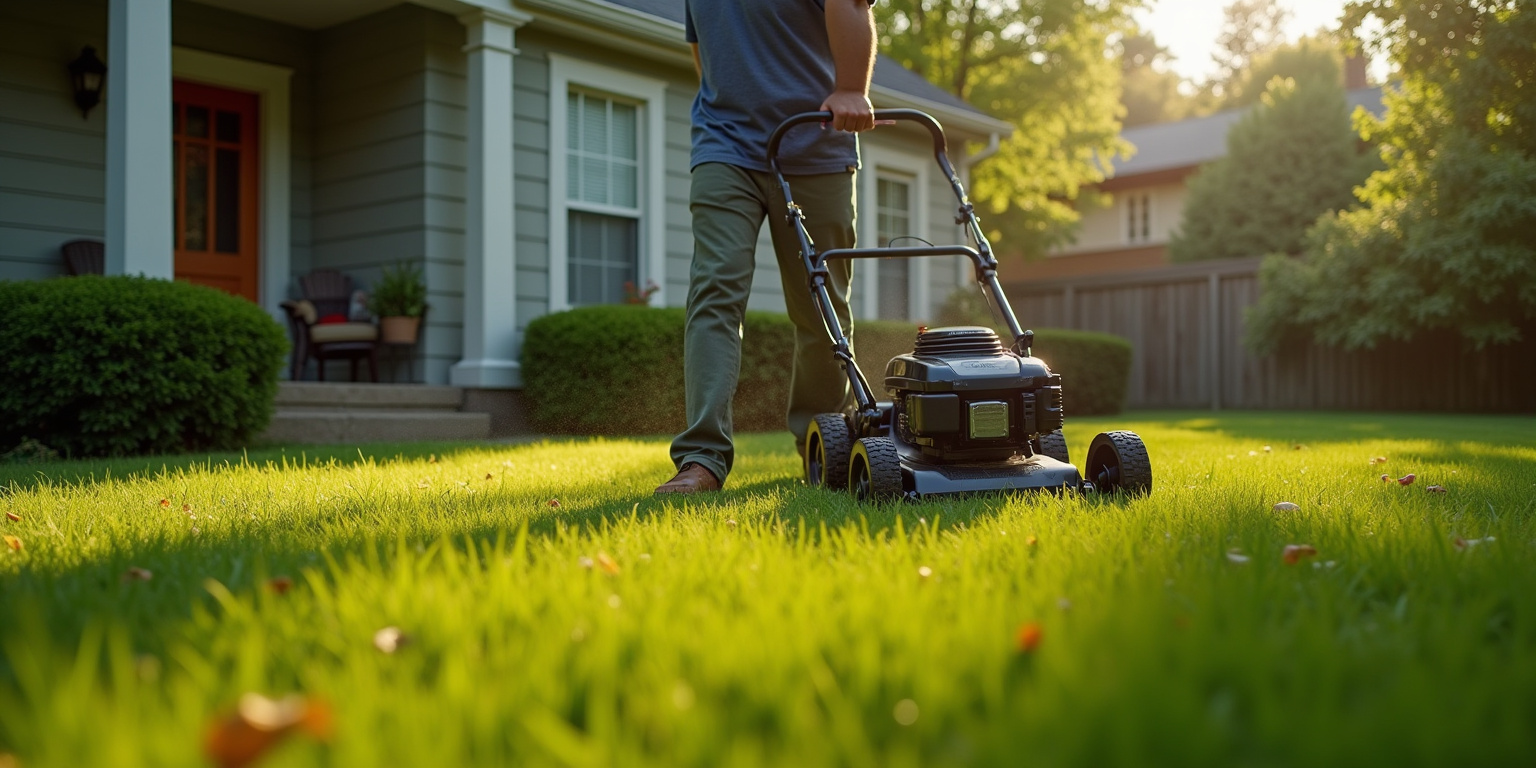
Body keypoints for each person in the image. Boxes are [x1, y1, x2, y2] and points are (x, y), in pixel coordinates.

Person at [655, 0, 878, 494]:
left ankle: (822, 445)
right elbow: (703, 48)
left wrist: (850, 89)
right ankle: (702, 457)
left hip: (816, 141)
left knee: (820, 304)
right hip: (724, 146)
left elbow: (848, 4)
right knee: (715, 289)